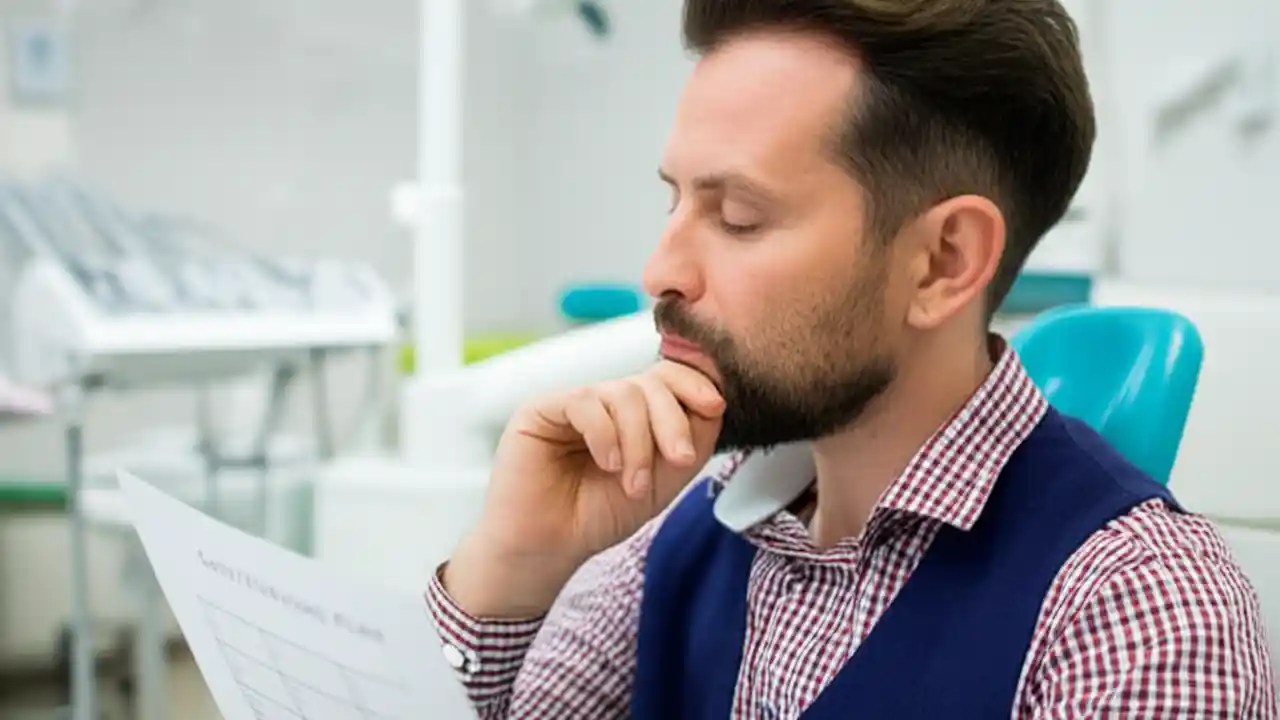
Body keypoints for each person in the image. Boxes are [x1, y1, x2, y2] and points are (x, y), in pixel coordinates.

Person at [427, 1, 1279, 717]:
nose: (660, 272)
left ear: (943, 261)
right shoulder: (680, 540)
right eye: (675, 200)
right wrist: (508, 574)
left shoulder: (1142, 617)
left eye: (738, 218)